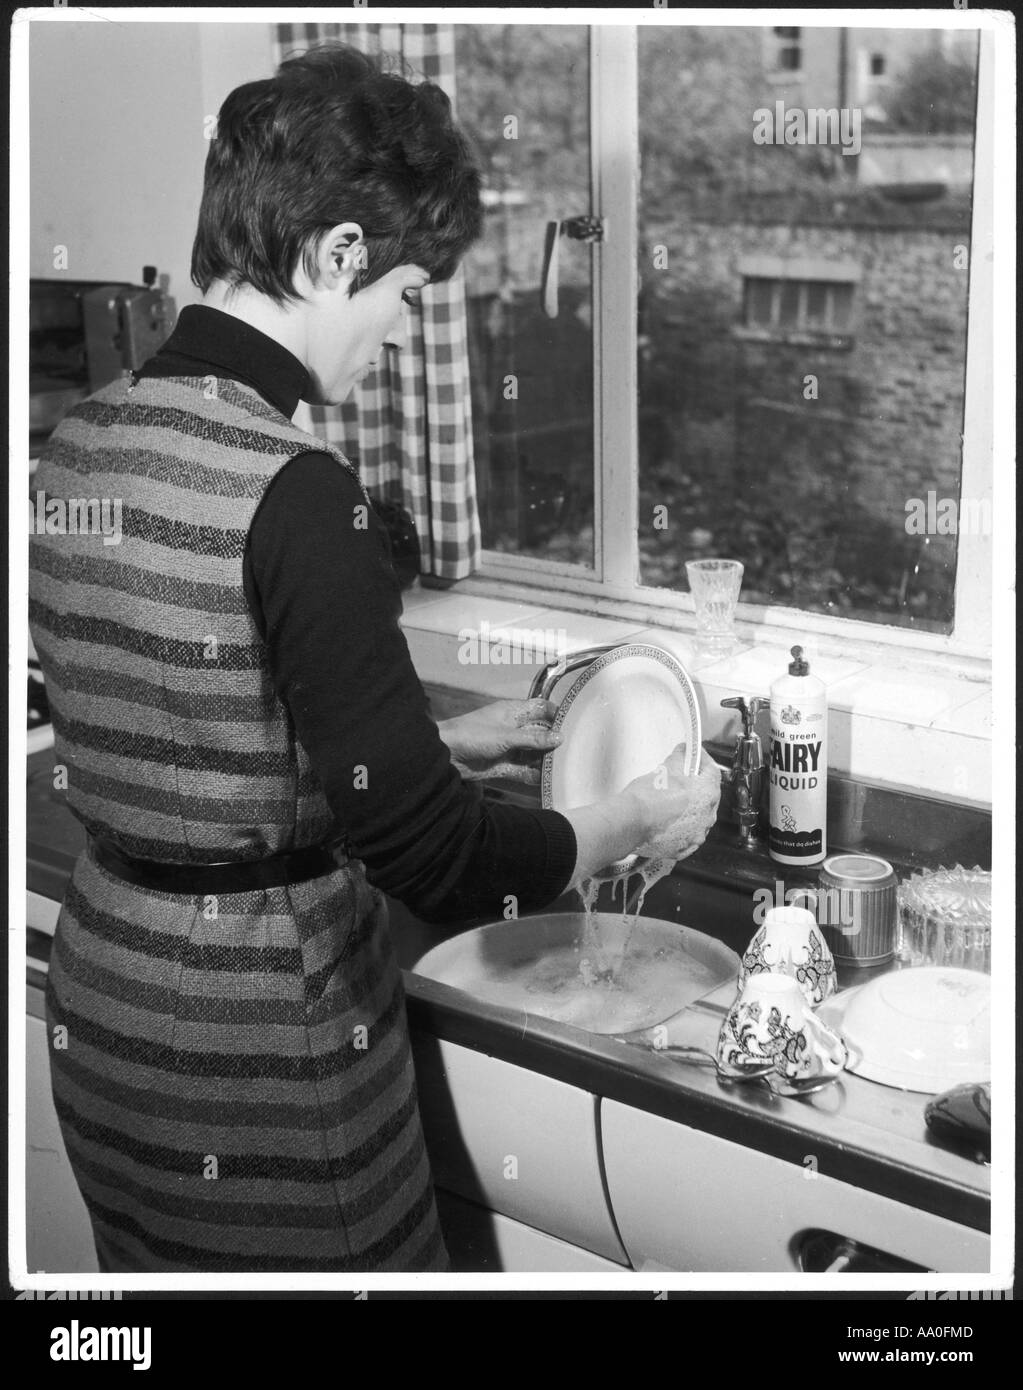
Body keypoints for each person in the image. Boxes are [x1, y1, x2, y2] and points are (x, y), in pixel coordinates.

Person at [28, 42, 703, 1273]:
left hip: (110, 1005)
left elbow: (202, 721)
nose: (401, 336)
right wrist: (630, 820)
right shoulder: (296, 492)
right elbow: (432, 855)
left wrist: (433, 740)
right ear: (335, 255)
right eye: (404, 294)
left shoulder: (79, 441)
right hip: (267, 1050)